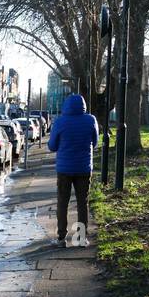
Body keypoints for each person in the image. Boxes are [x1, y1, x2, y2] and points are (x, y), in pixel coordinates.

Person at [46, 93, 99, 246]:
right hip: (83, 168)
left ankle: (62, 237)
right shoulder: (91, 120)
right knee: (83, 203)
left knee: (63, 202)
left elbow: (52, 146)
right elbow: (94, 142)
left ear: (65, 106)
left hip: (64, 169)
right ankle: (81, 238)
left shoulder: (60, 122)